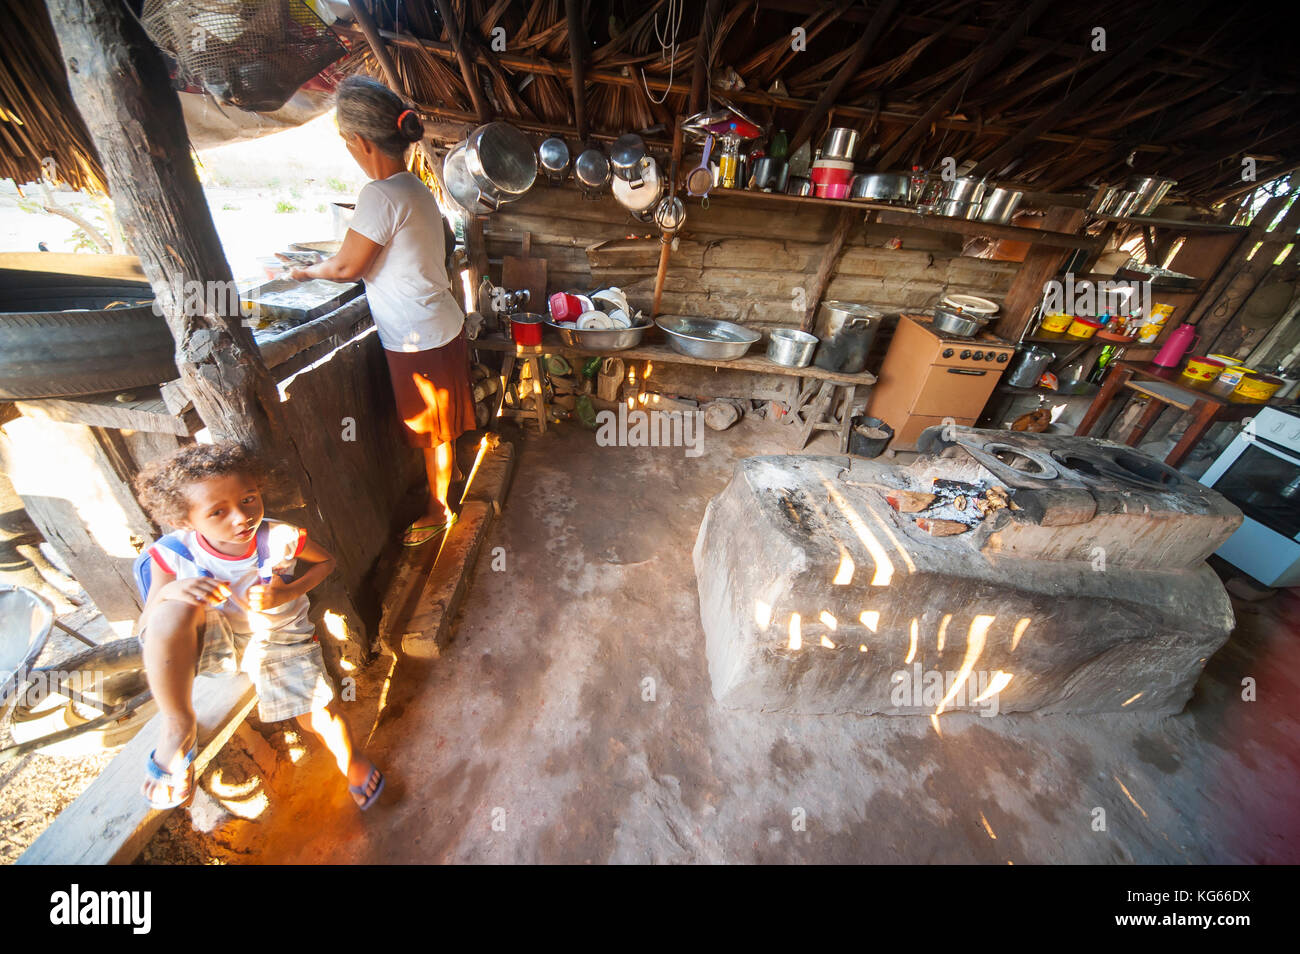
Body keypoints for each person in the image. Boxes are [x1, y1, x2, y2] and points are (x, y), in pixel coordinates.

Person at [133, 442, 383, 811]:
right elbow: (149, 618)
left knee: (318, 715)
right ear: (184, 520)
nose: (240, 517)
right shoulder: (173, 553)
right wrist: (174, 589)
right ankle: (177, 724)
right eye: (218, 511)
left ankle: (352, 761)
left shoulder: (279, 538)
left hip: (278, 637)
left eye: (248, 499)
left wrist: (289, 592)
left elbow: (325, 562)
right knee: (170, 612)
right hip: (214, 640)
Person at [291, 75, 474, 546]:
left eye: (345, 141)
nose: (348, 149)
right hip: (439, 325)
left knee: (431, 431)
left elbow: (349, 265)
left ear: (361, 142)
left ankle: (440, 509)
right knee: (439, 426)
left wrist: (308, 271)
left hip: (419, 336)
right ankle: (441, 496)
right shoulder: (414, 188)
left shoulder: (381, 194)